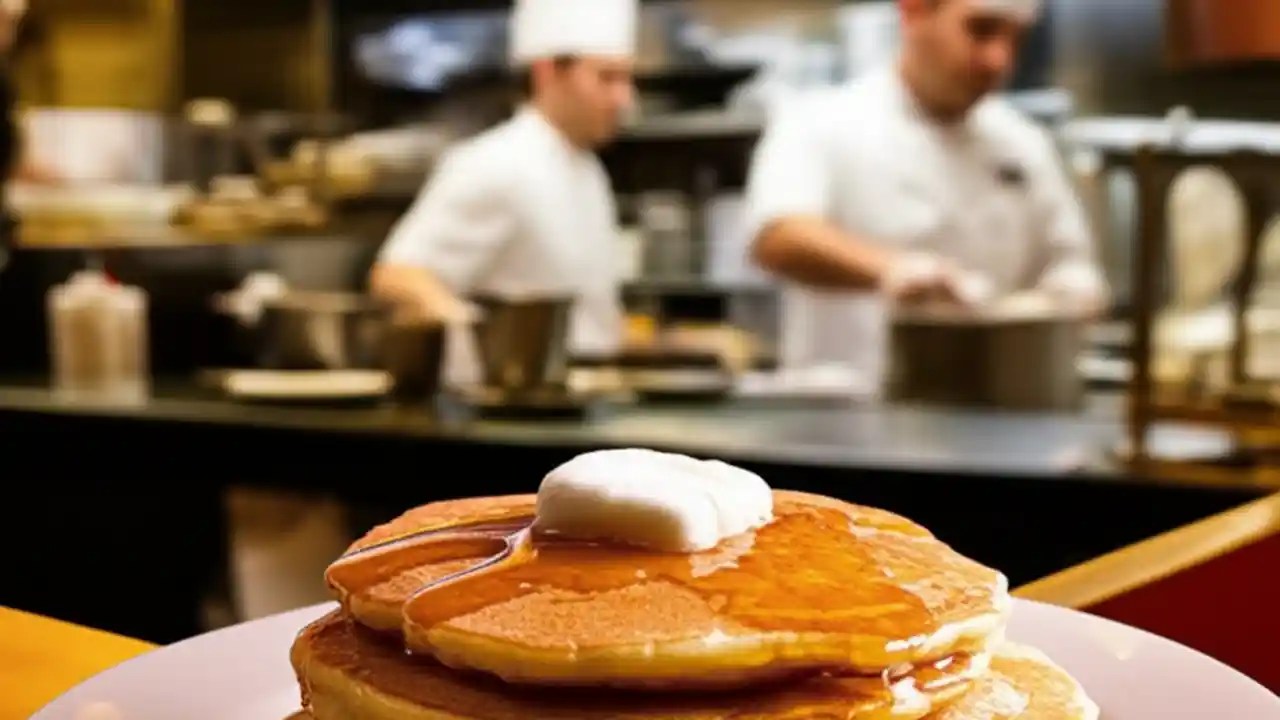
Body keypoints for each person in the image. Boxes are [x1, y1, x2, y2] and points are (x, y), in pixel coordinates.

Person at [743, 0, 1108, 395]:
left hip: (994, 409)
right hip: (846, 404)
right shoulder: (819, 122)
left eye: (1015, 40)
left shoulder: (1024, 143)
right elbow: (779, 236)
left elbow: (1069, 261)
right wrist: (893, 270)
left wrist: (1070, 293)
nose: (998, 60)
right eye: (980, 30)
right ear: (914, 13)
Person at [369, 0, 637, 388]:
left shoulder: (587, 169)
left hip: (584, 395)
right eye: (607, 78)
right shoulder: (496, 163)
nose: (624, 99)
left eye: (627, 80)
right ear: (548, 73)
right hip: (509, 401)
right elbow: (398, 276)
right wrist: (480, 335)